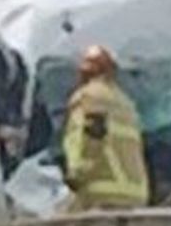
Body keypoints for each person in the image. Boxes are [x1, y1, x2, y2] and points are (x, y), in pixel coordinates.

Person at [62, 45, 150, 211]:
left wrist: (78, 174)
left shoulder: (89, 96)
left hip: (102, 190)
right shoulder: (126, 103)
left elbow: (92, 135)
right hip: (135, 193)